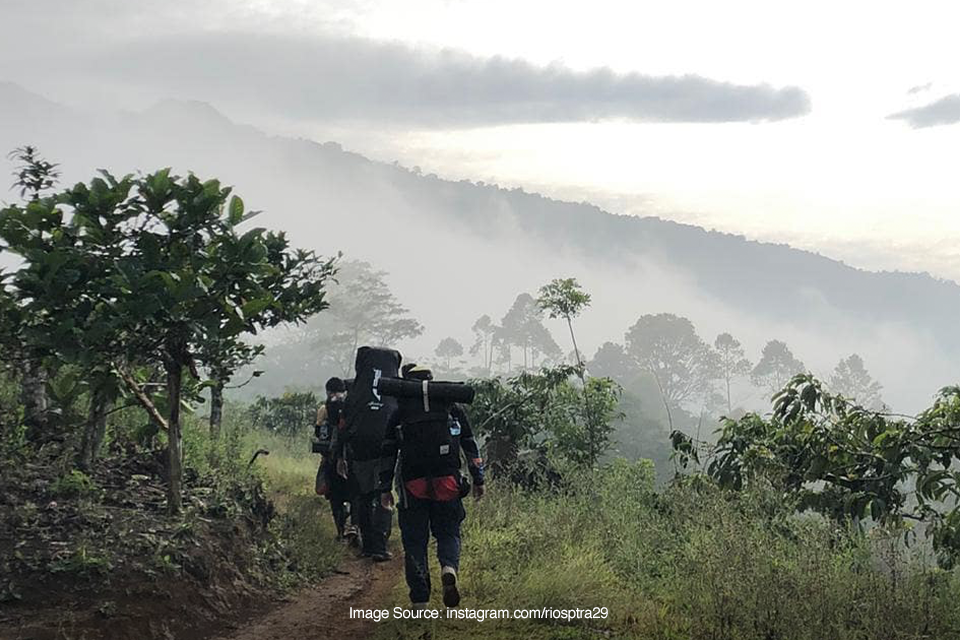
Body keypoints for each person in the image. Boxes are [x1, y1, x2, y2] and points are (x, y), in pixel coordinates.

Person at [378, 364, 485, 608]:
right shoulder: (451, 407)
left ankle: (420, 602)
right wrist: (478, 479)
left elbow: (387, 452)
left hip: (411, 485)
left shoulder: (400, 412)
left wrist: (384, 487)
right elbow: (470, 444)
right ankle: (448, 567)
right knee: (448, 532)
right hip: (447, 482)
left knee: (415, 541)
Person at [314, 377, 358, 544]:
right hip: (352, 458)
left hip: (332, 459)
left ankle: (340, 532)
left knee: (335, 496)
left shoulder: (324, 409)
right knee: (355, 494)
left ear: (327, 391)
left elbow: (319, 434)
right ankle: (355, 527)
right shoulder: (352, 406)